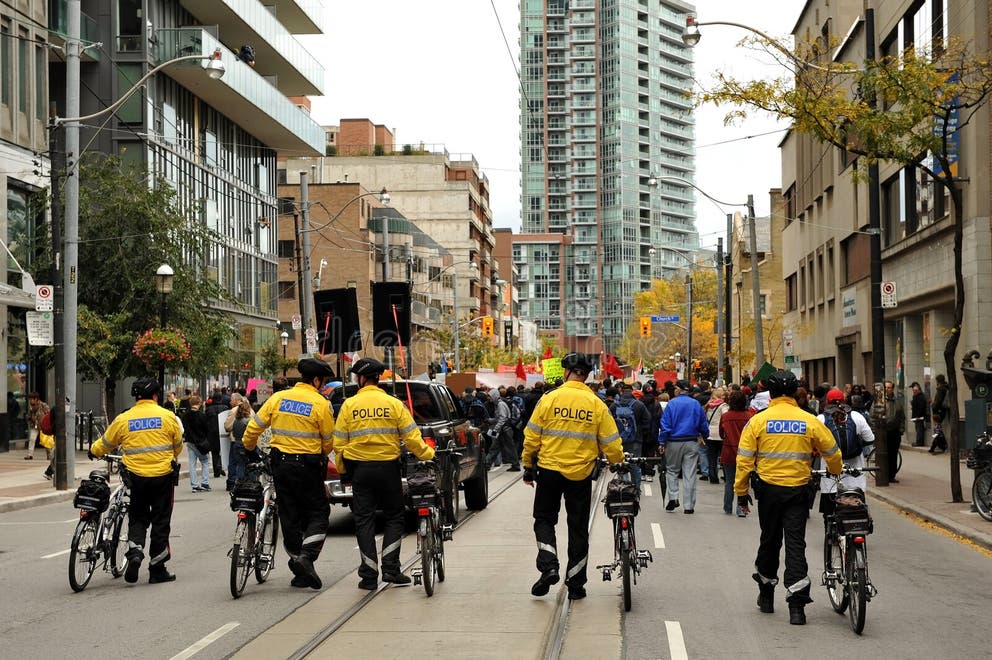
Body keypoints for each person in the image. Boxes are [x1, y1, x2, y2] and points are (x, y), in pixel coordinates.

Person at [735, 370, 842, 625]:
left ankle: (767, 596)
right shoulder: (809, 420)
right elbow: (833, 453)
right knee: (796, 545)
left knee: (769, 541)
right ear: (795, 392)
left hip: (769, 491)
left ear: (770, 394)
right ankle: (797, 608)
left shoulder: (758, 422)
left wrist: (741, 493)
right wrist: (835, 473)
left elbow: (744, 460)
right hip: (798, 491)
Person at [522, 352, 624, 601]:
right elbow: (611, 442)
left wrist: (527, 465)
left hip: (549, 471)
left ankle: (549, 566)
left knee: (544, 519)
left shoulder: (548, 399)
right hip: (580, 475)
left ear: (566, 372)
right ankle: (576, 583)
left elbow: (532, 435)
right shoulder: (596, 404)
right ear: (586, 375)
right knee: (578, 528)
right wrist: (617, 462)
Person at [333, 358, 435, 590]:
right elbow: (411, 438)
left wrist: (343, 472)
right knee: (394, 517)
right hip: (387, 469)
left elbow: (339, 444)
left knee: (364, 520)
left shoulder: (349, 405)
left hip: (360, 470)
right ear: (378, 378)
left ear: (360, 378)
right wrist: (428, 454)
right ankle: (391, 568)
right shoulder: (394, 404)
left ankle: (369, 575)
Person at [243, 358, 335, 590]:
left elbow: (254, 427)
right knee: (319, 512)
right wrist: (322, 452)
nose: (323, 387)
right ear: (315, 380)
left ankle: (299, 567)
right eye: (323, 383)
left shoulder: (278, 398)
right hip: (308, 467)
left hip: (281, 464)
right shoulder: (320, 404)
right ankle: (307, 556)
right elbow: (328, 442)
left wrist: (248, 447)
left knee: (289, 514)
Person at [88, 377, 183, 584]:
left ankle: (135, 554)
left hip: (136, 478)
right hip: (163, 477)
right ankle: (157, 569)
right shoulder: (168, 417)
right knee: (160, 521)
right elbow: (178, 446)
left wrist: (92, 451)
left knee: (138, 517)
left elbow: (105, 443)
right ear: (156, 395)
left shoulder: (124, 418)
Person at [816, 388, 875, 526]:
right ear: (844, 400)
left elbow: (813, 443)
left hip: (830, 474)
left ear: (827, 402)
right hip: (855, 472)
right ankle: (856, 533)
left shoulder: (821, 419)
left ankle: (831, 535)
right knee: (856, 506)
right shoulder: (856, 416)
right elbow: (870, 439)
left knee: (829, 512)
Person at [658, 380, 708, 514]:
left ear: (679, 390)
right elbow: (703, 422)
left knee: (672, 471)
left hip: (673, 441)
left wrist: (662, 442)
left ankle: (673, 497)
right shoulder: (695, 404)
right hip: (691, 441)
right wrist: (704, 435)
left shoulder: (672, 404)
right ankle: (689, 505)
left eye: (675, 388)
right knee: (689, 473)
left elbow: (665, 424)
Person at [609, 382, 651, 490]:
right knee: (635, 465)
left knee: (621, 465)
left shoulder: (614, 406)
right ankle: (636, 490)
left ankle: (623, 489)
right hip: (635, 440)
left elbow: (608, 423)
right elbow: (648, 420)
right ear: (632, 391)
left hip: (619, 440)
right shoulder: (639, 405)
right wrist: (643, 433)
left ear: (621, 392)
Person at [718, 390, 752, 514]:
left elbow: (721, 434)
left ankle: (727, 507)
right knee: (743, 481)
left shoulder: (726, 416)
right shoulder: (749, 416)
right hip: (745, 453)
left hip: (728, 451)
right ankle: (741, 508)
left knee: (729, 481)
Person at [181, 395, 212, 492]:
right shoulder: (202, 415)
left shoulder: (185, 415)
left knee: (192, 463)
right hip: (200, 442)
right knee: (205, 461)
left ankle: (194, 484)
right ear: (199, 403)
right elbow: (207, 429)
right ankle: (205, 483)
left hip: (190, 442)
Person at [225, 398, 253, 487]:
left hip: (236, 444)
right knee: (250, 465)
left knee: (239, 465)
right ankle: (250, 484)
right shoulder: (248, 421)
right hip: (245, 444)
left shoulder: (236, 421)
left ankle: (239, 484)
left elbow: (230, 429)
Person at [703, 387, 728, 484]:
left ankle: (713, 477)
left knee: (712, 457)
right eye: (723, 395)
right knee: (724, 457)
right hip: (720, 434)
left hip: (710, 434)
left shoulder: (708, 406)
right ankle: (726, 475)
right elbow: (725, 418)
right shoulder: (723, 406)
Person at [883, 380, 905, 482]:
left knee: (893, 454)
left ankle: (892, 476)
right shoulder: (880, 401)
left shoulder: (897, 402)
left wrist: (901, 430)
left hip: (895, 433)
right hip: (883, 432)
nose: (887, 389)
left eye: (889, 387)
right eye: (886, 387)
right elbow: (872, 416)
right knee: (884, 455)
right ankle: (884, 475)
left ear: (892, 389)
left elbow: (902, 417)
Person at [24, 392, 50, 460]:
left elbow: (48, 413)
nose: (30, 400)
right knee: (32, 439)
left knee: (46, 441)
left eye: (31, 399)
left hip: (43, 425)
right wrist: (29, 417)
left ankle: (49, 455)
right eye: (30, 399)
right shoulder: (30, 406)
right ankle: (30, 455)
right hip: (34, 425)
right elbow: (30, 416)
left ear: (36, 399)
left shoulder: (43, 405)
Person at [929, 374, 948, 453]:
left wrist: (933, 405)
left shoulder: (941, 389)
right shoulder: (944, 388)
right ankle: (937, 446)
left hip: (938, 411)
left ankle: (942, 445)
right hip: (941, 411)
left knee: (937, 430)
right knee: (938, 430)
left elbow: (938, 401)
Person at [909, 382, 928, 447]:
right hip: (917, 416)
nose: (913, 391)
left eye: (914, 390)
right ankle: (918, 441)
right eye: (913, 390)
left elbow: (921, 407)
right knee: (918, 428)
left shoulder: (920, 396)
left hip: (919, 416)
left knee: (919, 429)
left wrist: (918, 415)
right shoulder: (917, 396)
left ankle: (919, 442)